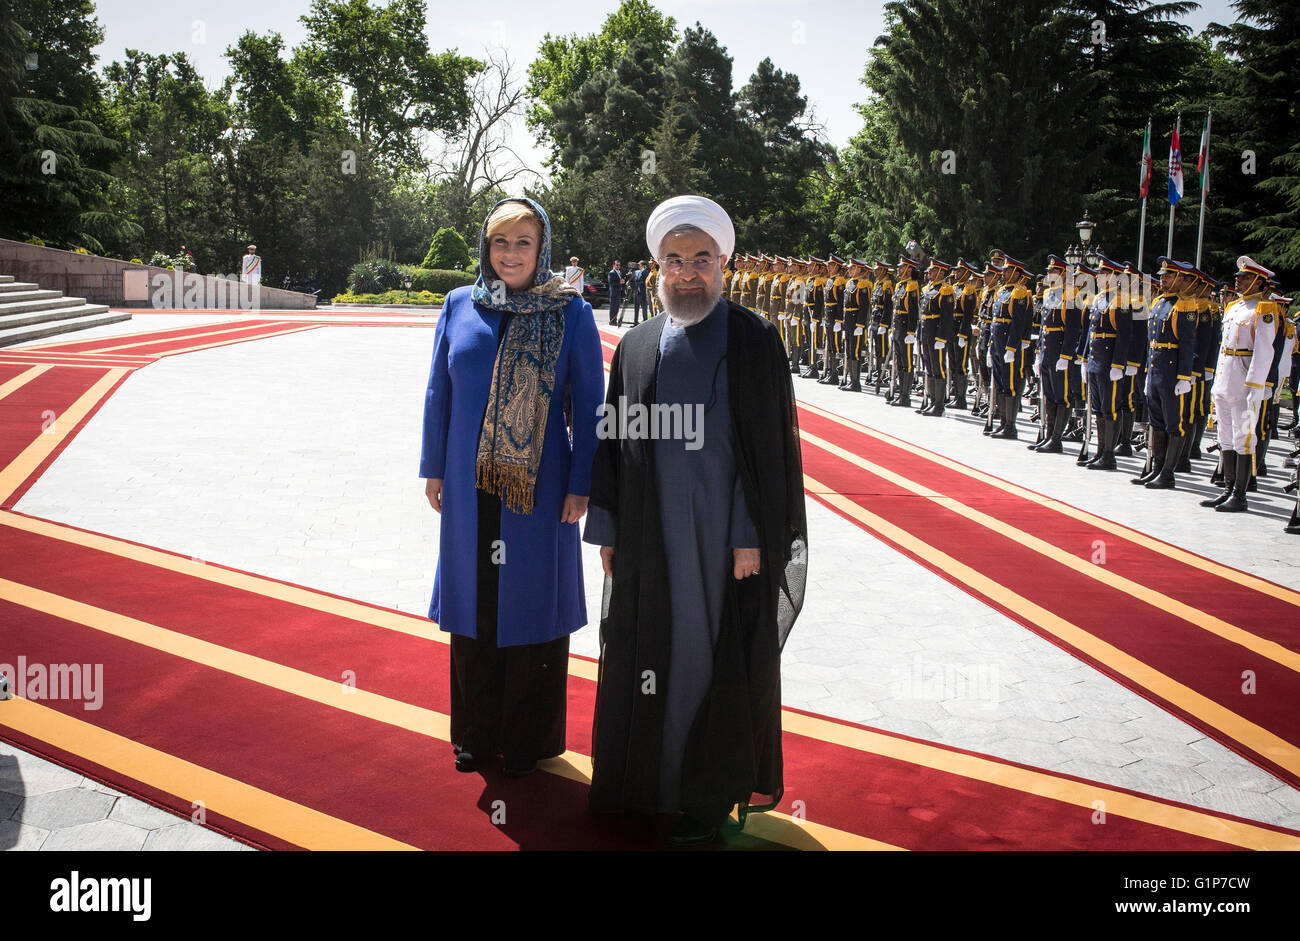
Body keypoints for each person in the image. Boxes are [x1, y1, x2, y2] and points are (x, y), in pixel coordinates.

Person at [583, 194, 807, 846]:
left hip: (720, 545)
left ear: (724, 263)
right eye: (673, 260)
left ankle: (705, 796)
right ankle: (646, 784)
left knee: (708, 662)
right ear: (656, 266)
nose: (686, 272)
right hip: (652, 541)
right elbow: (615, 440)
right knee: (647, 655)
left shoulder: (754, 340)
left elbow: (764, 454)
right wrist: (609, 527)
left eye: (699, 259)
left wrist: (745, 535)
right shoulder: (639, 343)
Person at [419, 197, 604, 776]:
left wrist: (582, 483)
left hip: (540, 490)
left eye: (523, 242)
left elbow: (591, 406)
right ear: (485, 247)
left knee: (529, 605)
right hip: (469, 487)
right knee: (475, 604)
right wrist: (433, 467)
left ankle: (528, 739)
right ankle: (474, 733)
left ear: (542, 247)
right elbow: (437, 395)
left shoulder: (568, 313)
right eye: (501, 242)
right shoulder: (458, 305)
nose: (511, 254)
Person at [608, 259, 624, 326]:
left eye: (619, 265)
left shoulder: (619, 272)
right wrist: (619, 282)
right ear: (614, 265)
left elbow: (621, 281)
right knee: (613, 307)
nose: (618, 266)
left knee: (617, 307)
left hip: (618, 292)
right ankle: (612, 321)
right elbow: (611, 283)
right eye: (617, 265)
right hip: (614, 292)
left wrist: (622, 282)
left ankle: (615, 320)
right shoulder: (611, 273)